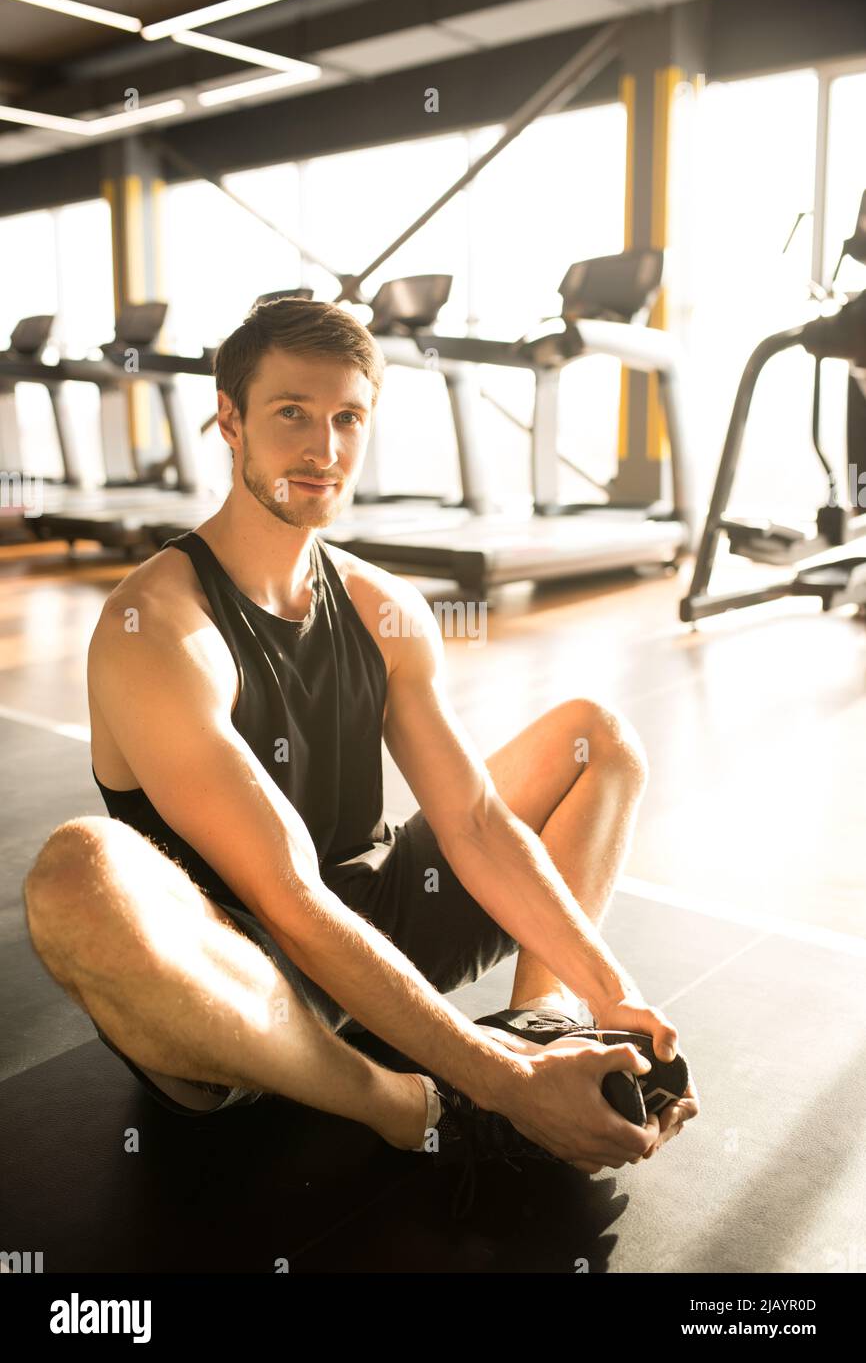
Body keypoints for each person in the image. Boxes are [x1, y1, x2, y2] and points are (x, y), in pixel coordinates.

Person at [23, 297, 698, 1184]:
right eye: (292, 414)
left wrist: (616, 994)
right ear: (230, 419)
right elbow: (288, 898)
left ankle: (545, 1023)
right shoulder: (160, 622)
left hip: (376, 925)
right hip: (246, 993)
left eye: (348, 418)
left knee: (595, 739)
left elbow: (478, 825)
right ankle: (418, 1110)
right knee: (77, 869)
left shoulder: (387, 608)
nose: (325, 449)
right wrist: (496, 1086)